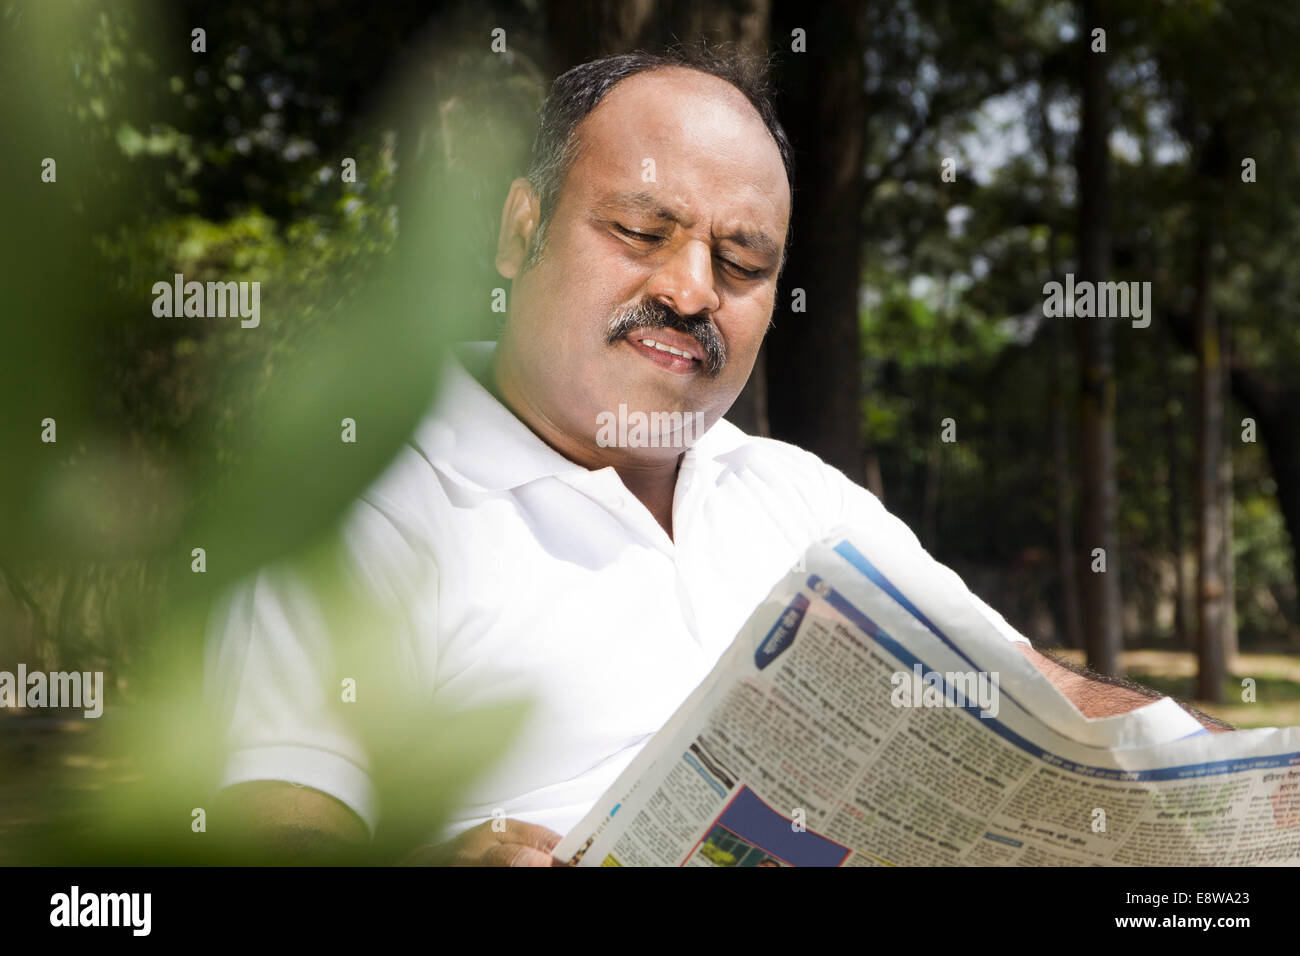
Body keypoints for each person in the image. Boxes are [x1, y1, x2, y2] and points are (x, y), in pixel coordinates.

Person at [208, 47, 1232, 868]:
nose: (694, 291)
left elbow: (1034, 690)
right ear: (519, 230)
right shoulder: (359, 506)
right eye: (642, 229)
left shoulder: (796, 495)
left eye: (742, 263)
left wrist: (1229, 777)